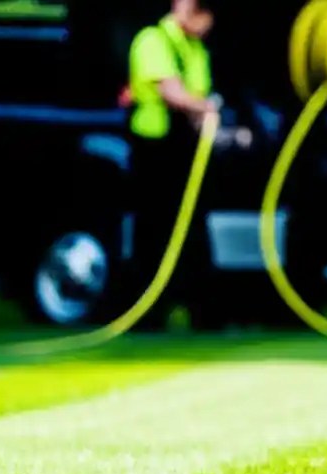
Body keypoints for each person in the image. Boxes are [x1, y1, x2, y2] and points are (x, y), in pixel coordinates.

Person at [123, 0, 220, 328]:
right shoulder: (153, 40)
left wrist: (203, 115)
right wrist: (207, 108)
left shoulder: (196, 49)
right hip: (154, 149)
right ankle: (146, 312)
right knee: (154, 229)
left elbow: (198, 93)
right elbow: (173, 92)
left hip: (185, 150)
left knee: (193, 228)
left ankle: (201, 311)